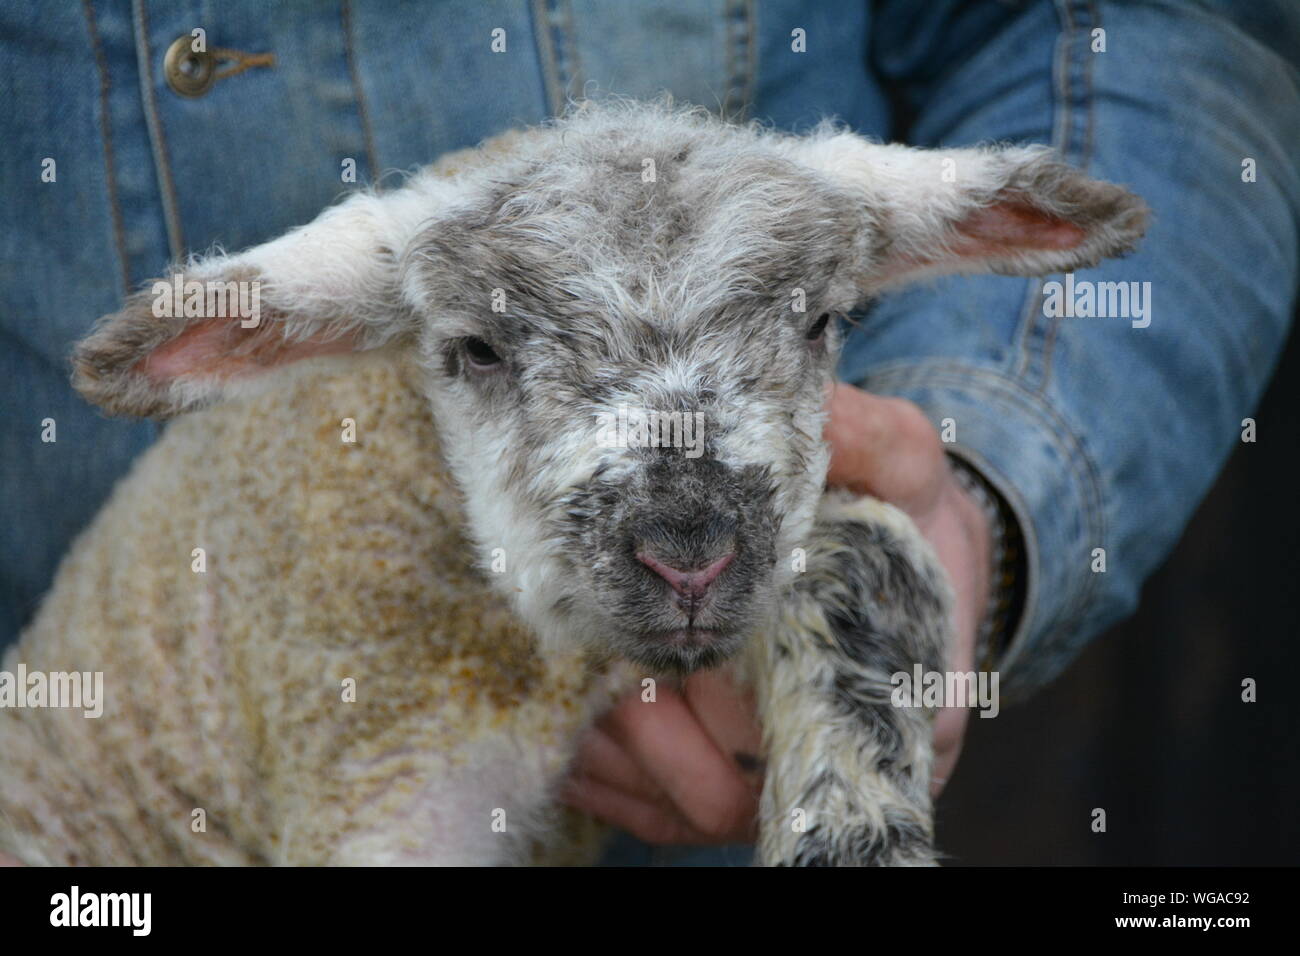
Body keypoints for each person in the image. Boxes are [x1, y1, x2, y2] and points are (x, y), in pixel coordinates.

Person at [2, 1, 1296, 866]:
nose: (681, 537)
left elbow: (1139, 29)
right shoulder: (342, 525)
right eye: (489, 350)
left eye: (806, 318)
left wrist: (976, 488)